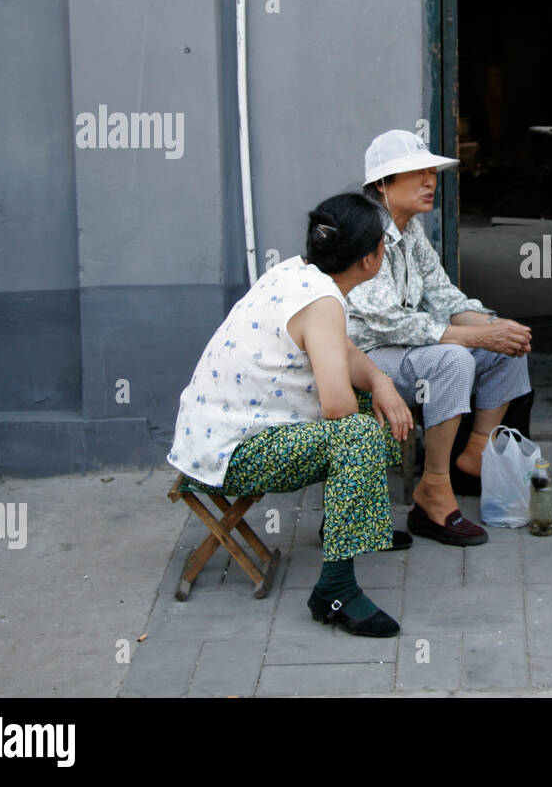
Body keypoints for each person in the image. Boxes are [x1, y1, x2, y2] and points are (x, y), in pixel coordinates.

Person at [168, 193, 414, 637]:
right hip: (230, 456)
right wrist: (376, 393)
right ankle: (334, 590)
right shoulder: (322, 301)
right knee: (357, 432)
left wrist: (381, 382)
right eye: (383, 246)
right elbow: (337, 408)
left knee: (368, 401)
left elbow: (344, 353)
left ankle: (352, 523)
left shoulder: (296, 272)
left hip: (213, 435)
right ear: (367, 258)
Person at [348, 129, 534, 547]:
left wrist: (492, 327)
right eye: (416, 173)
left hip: (411, 348)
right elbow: (387, 321)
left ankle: (474, 455)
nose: (430, 181)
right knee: (456, 358)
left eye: (431, 172)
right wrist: (473, 338)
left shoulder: (411, 231)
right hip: (368, 357)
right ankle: (433, 488)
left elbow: (444, 296)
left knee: (507, 348)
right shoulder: (362, 232)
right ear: (382, 184)